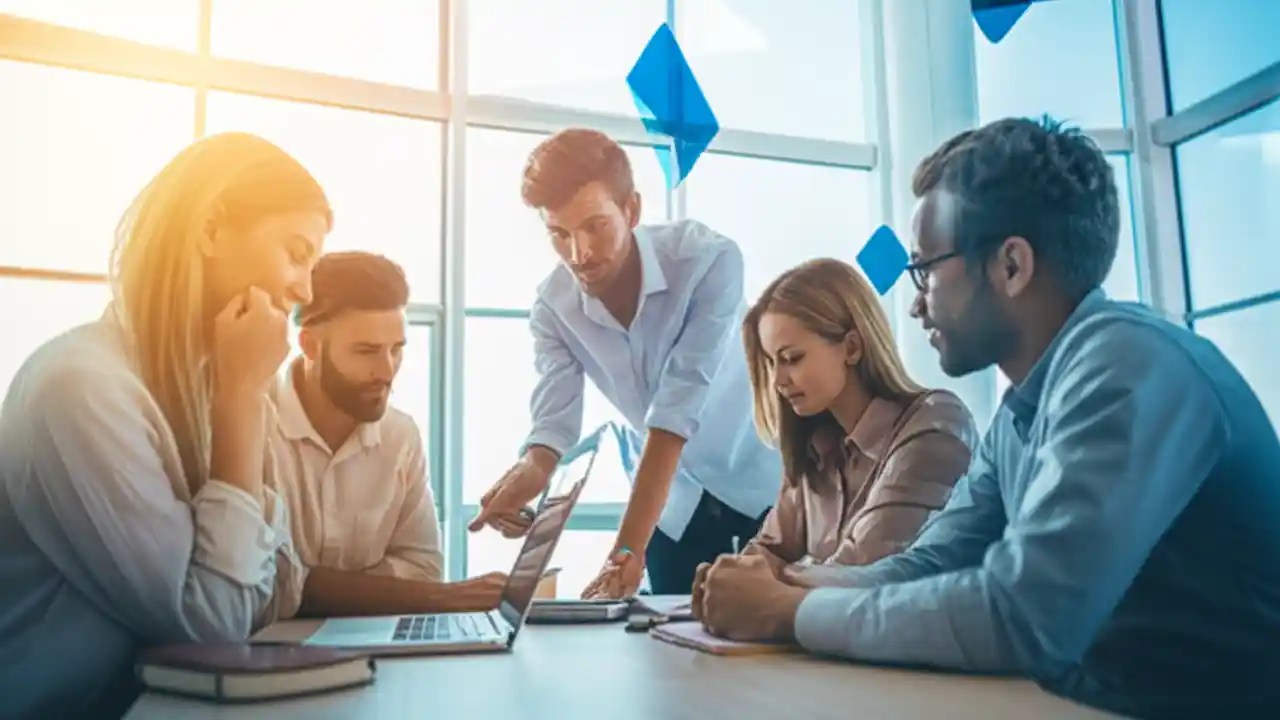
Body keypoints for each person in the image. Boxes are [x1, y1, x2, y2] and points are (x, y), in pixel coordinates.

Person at [692, 116, 1280, 717]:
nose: (917, 303)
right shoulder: (1022, 410)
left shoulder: (1125, 366)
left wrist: (787, 611)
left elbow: (1022, 615)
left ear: (1011, 266)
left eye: (926, 269)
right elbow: (929, 563)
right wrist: (783, 586)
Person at [0, 133, 329, 718]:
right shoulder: (81, 387)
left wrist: (242, 398)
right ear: (209, 230)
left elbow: (283, 586)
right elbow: (211, 633)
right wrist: (242, 402)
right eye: (296, 252)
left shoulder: (216, 387)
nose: (305, 289)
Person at [468, 127, 783, 597]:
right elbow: (554, 422)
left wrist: (625, 549)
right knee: (667, 654)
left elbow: (677, 409)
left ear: (631, 210)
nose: (580, 254)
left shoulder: (709, 261)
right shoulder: (554, 308)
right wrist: (531, 470)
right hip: (670, 508)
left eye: (596, 226)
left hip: (761, 488)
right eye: (559, 234)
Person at [270, 252, 506, 618]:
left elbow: (424, 567)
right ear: (310, 345)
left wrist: (331, 589)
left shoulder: (400, 436)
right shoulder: (253, 424)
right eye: (366, 351)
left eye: (396, 350)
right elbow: (271, 584)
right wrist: (434, 596)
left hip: (376, 644)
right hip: (266, 658)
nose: (386, 371)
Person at [723, 258, 976, 579]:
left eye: (791, 358)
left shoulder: (935, 428)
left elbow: (860, 574)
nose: (777, 381)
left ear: (852, 347)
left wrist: (760, 584)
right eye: (772, 363)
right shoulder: (815, 449)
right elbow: (767, 554)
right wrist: (729, 578)